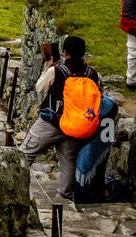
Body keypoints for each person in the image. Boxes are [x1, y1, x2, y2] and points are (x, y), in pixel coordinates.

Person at [20, 35, 102, 205]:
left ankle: (16, 187)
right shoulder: (92, 73)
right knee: (68, 161)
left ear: (65, 52)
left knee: (25, 153)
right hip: (75, 125)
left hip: (51, 122)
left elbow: (39, 87)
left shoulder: (57, 70)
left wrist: (48, 67)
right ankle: (63, 197)